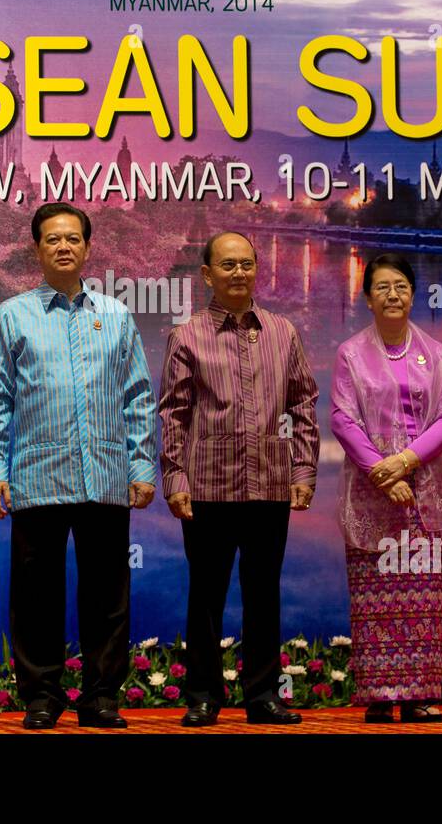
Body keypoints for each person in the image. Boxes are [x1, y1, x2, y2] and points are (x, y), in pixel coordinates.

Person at [0, 202, 158, 729]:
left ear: (88, 248)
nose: (63, 247)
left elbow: (138, 396)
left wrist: (142, 467)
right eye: (52, 239)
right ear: (37, 249)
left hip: (104, 474)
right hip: (35, 474)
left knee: (107, 594)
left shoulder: (116, 315)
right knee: (36, 594)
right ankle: (42, 697)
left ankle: (100, 696)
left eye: (73, 238)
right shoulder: (13, 315)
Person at [158, 231, 319, 727]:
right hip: (208, 485)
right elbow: (172, 415)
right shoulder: (187, 336)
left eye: (246, 264)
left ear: (257, 270)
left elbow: (305, 405)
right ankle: (203, 695)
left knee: (263, 591)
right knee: (205, 594)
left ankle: (263, 694)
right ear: (207, 274)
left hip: (270, 483)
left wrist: (304, 469)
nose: (239, 273)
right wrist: (174, 478)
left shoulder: (283, 332)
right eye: (227, 265)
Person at [329, 252, 442, 724]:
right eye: (382, 287)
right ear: (367, 297)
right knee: (374, 590)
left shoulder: (435, 352)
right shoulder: (351, 353)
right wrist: (381, 470)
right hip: (372, 488)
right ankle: (378, 695)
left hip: (424, 486)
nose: (393, 294)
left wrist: (406, 462)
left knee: (422, 593)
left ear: (413, 295)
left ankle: (417, 695)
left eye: (401, 286)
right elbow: (341, 417)